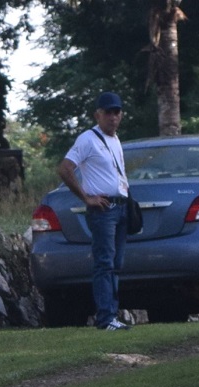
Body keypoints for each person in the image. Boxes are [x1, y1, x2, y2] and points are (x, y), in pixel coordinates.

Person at [58, 92, 132, 331]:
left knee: (116, 262)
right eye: (108, 112)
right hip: (103, 209)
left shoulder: (115, 139)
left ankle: (112, 314)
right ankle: (105, 317)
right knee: (104, 262)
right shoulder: (87, 139)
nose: (113, 117)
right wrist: (86, 198)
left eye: (116, 112)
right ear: (97, 115)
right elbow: (65, 169)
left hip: (119, 206)